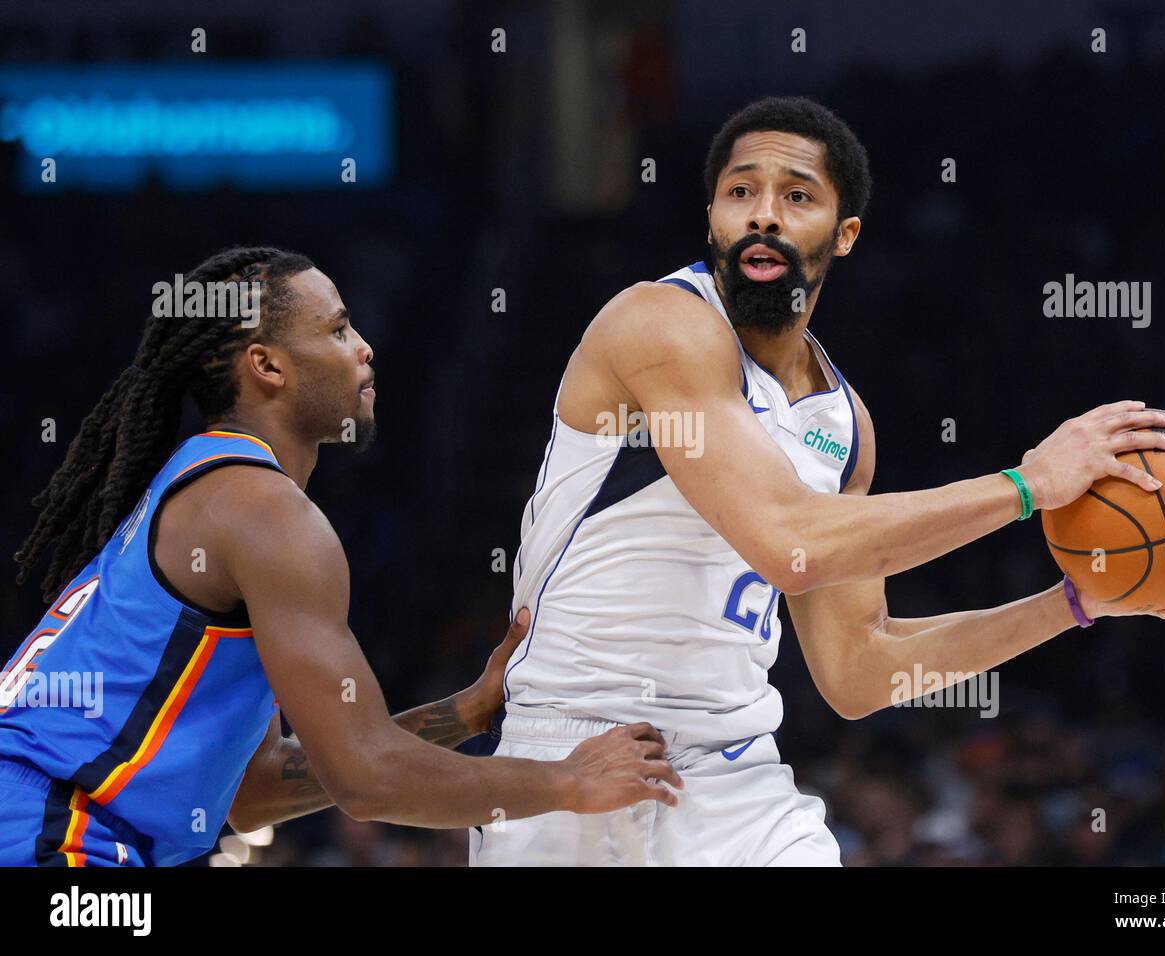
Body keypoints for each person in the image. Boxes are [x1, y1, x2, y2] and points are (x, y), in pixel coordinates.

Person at [477, 96, 1165, 866]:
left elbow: (860, 673)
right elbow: (785, 542)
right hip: (565, 759)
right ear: (712, 221)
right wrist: (1027, 485)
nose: (763, 215)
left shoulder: (844, 426)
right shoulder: (657, 323)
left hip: (734, 773)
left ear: (845, 235)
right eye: (741, 193)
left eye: (796, 195)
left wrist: (1072, 603)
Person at [0, 246, 681, 867]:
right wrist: (568, 781)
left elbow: (255, 793)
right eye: (337, 330)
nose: (365, 349)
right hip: (46, 834)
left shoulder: (219, 492)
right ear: (266, 365)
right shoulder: (265, 514)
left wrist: (465, 712)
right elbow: (366, 779)